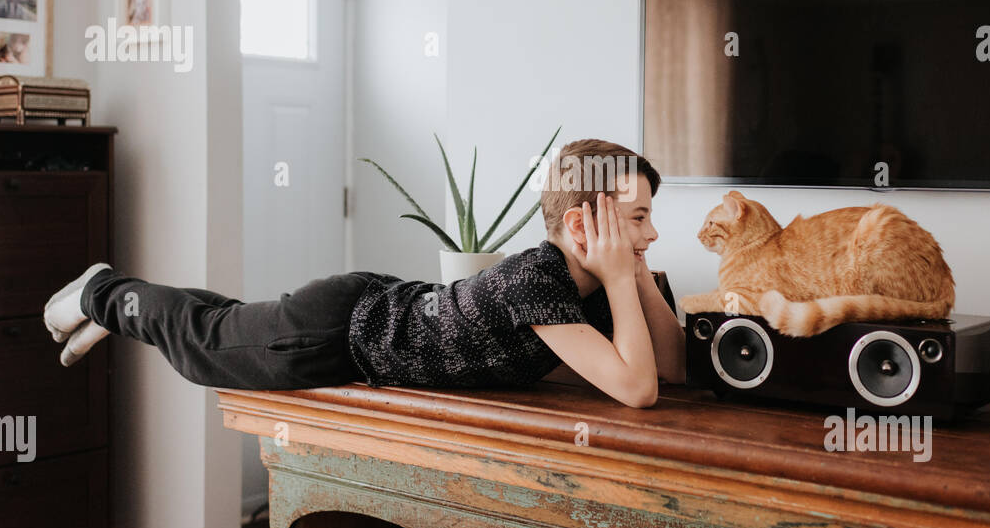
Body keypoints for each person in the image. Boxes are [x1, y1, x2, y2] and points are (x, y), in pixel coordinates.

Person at [43, 138, 685, 409]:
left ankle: (114, 310)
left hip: (376, 306)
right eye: (638, 219)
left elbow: (673, 368)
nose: (651, 233)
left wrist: (637, 266)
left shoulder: (600, 286)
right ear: (582, 228)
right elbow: (637, 390)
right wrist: (626, 277)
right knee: (205, 344)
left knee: (227, 321)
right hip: (338, 333)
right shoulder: (539, 278)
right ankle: (104, 292)